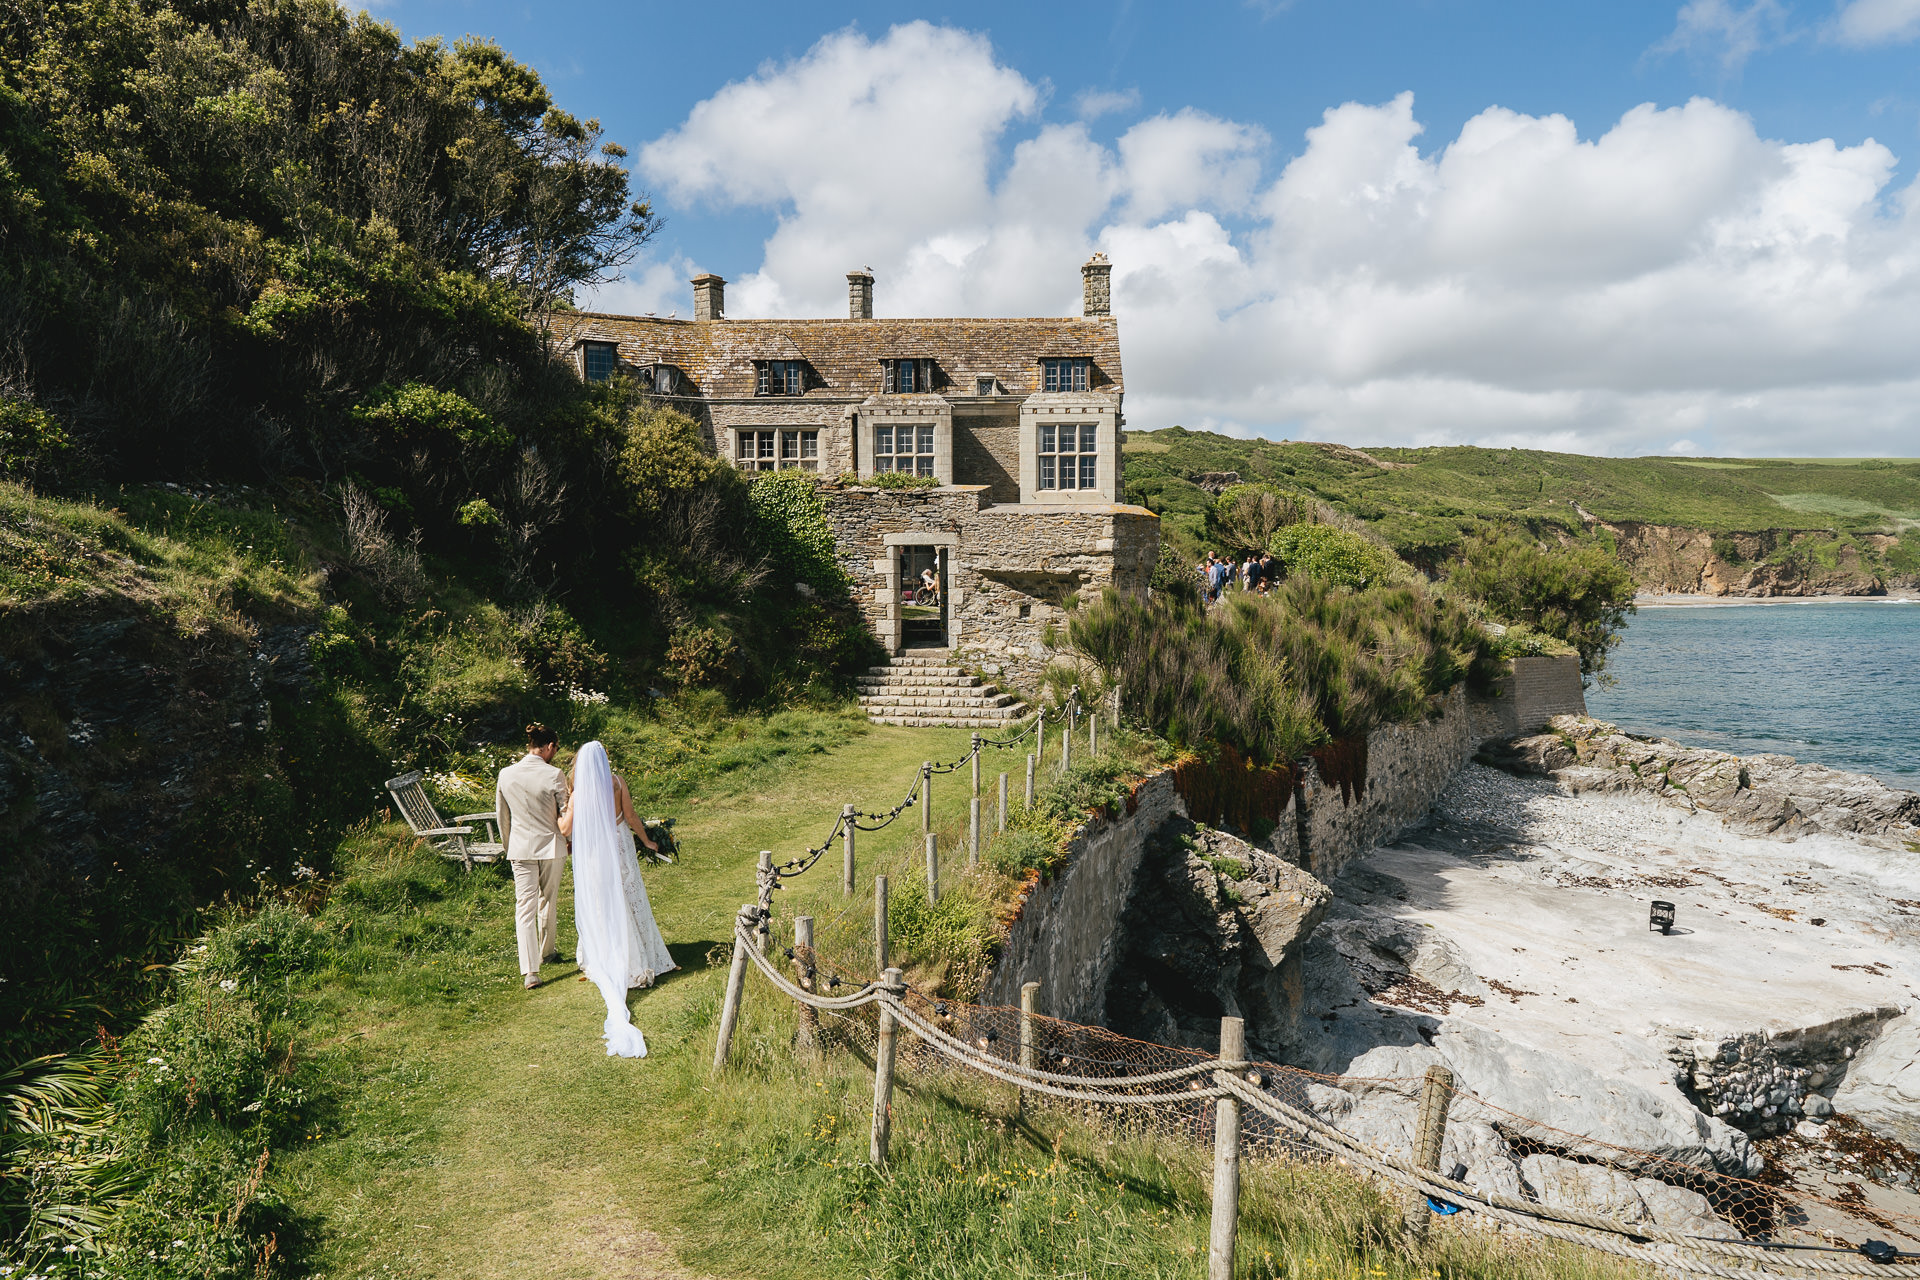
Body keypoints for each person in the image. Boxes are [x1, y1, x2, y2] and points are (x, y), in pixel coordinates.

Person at [559, 740, 678, 1059]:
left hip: (597, 852)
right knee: (629, 897)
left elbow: (567, 828)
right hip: (621, 846)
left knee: (603, 903)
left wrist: (558, 816)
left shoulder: (578, 792)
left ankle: (609, 953)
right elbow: (631, 816)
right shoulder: (617, 782)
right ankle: (641, 958)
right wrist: (647, 840)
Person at [496, 724, 569, 991]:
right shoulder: (555, 775)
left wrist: (509, 847)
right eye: (556, 748)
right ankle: (547, 951)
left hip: (520, 848)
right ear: (549, 746)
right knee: (548, 900)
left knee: (523, 907)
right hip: (551, 846)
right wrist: (569, 840)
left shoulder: (506, 774)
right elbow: (565, 815)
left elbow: (502, 816)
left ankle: (531, 971)